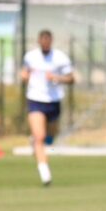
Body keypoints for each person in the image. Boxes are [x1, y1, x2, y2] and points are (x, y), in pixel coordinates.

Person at [21, 30, 75, 187]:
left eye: (47, 41)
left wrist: (57, 78)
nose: (45, 44)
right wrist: (24, 75)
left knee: (49, 138)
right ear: (39, 42)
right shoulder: (30, 57)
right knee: (39, 137)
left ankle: (38, 146)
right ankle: (45, 172)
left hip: (54, 101)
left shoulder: (60, 58)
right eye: (42, 41)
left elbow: (71, 78)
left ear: (51, 41)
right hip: (35, 100)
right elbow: (25, 71)